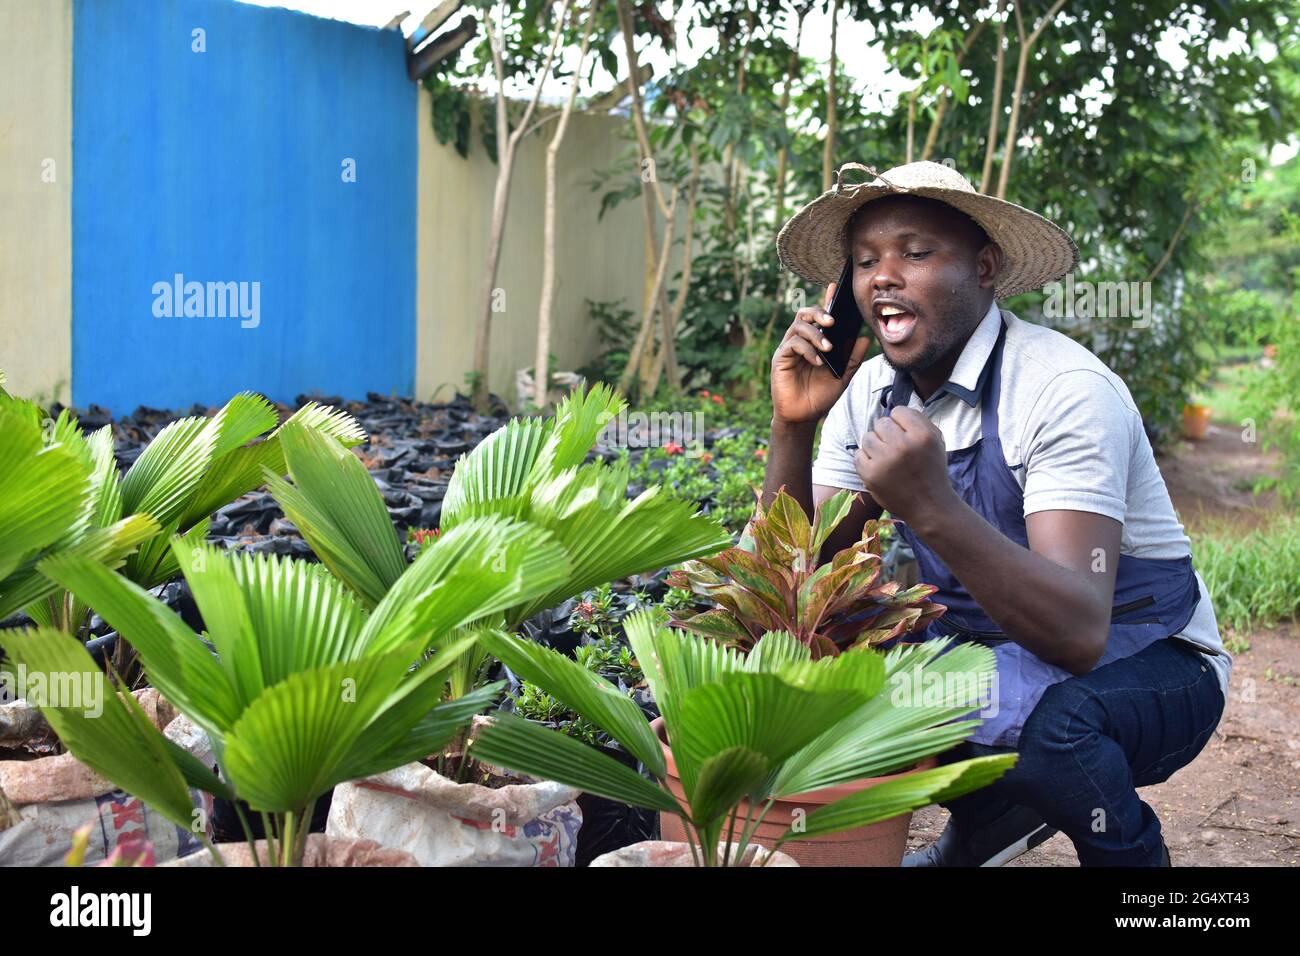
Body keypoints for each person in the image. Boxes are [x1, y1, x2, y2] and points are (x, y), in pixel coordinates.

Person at [763, 160, 1230, 867]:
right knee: (837, 673)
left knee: (1056, 730)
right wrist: (793, 425)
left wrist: (931, 505)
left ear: (984, 267)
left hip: (1150, 657)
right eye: (864, 262)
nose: (883, 276)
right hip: (993, 646)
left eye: (915, 253)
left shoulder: (1061, 388)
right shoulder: (868, 394)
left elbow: (1076, 633)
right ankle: (992, 821)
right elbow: (799, 576)